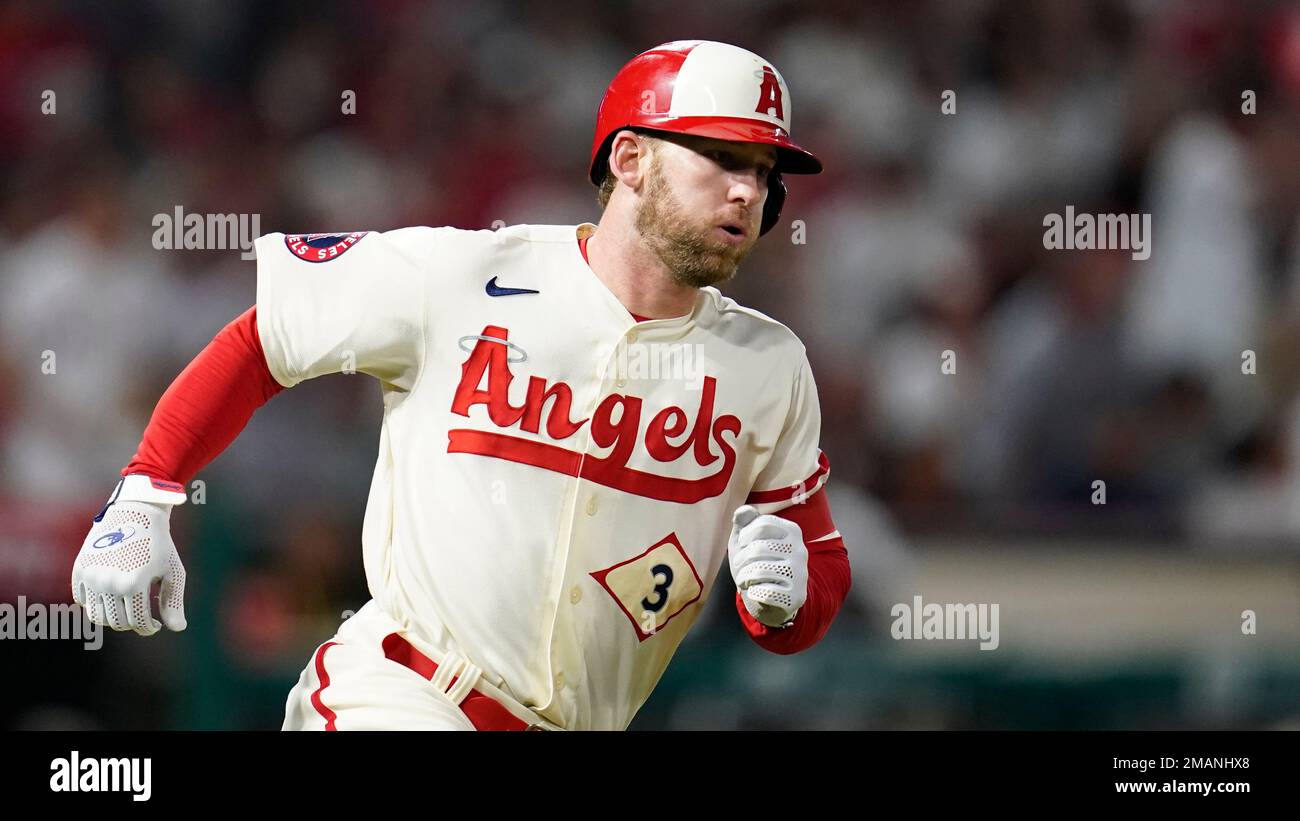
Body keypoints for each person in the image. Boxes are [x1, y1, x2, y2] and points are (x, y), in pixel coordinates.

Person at [71, 40, 852, 731]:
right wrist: (146, 488)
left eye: (763, 170)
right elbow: (265, 338)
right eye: (720, 157)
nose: (749, 192)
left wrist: (780, 600)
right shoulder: (468, 272)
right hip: (404, 694)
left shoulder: (768, 364)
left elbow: (809, 576)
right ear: (630, 159)